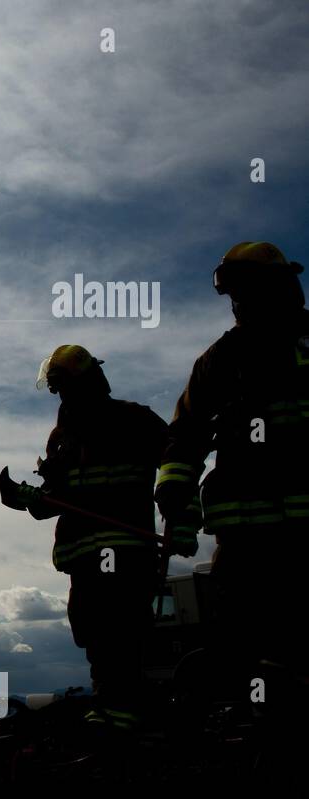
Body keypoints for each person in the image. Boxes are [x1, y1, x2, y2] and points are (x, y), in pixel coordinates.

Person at [157, 242, 309, 711]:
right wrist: (175, 498)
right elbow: (185, 439)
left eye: (246, 288)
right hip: (246, 542)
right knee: (243, 643)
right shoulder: (222, 359)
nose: (238, 301)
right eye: (234, 291)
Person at [20, 345, 169, 729]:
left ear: (85, 381)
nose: (60, 394)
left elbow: (178, 461)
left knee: (121, 633)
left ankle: (127, 719)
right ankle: (111, 711)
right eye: (54, 388)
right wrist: (28, 499)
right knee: (95, 636)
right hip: (84, 557)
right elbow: (56, 497)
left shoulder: (135, 420)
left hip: (125, 552)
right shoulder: (62, 437)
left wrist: (182, 518)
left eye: (62, 385)